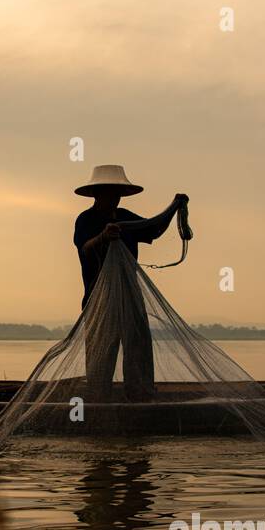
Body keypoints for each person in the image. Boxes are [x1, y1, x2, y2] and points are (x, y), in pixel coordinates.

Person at [72, 164, 188, 401]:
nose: (113, 197)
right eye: (108, 192)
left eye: (116, 192)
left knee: (138, 346)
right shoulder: (86, 219)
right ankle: (98, 399)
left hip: (130, 296)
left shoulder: (125, 217)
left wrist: (174, 206)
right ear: (96, 194)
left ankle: (140, 396)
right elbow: (85, 248)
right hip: (98, 299)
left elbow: (153, 230)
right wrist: (104, 236)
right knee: (100, 352)